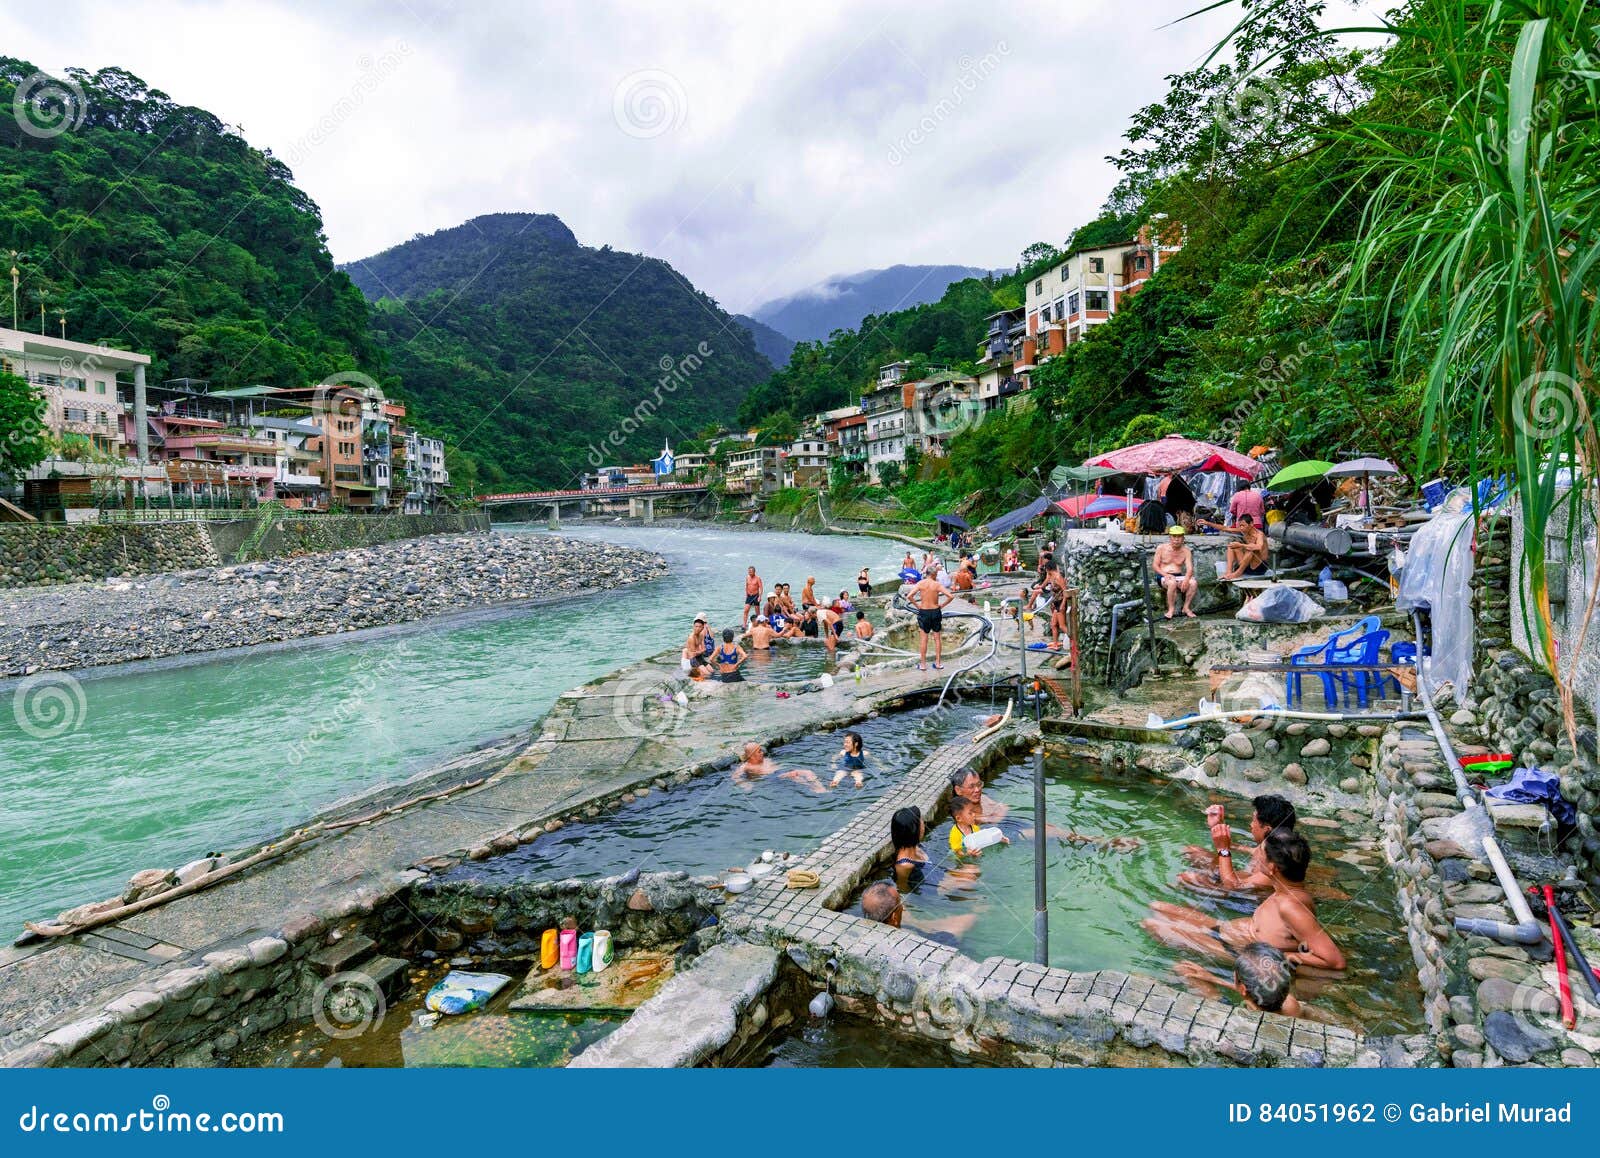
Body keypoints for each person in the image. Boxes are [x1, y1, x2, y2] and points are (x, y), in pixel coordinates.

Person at [1146, 830, 1346, 971]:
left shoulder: (1291, 906)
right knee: (1158, 907)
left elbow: (1335, 961)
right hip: (1225, 930)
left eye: (1260, 854)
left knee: (1152, 925)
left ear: (1273, 868)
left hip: (1234, 950)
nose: (1255, 857)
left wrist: (1285, 958)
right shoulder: (1284, 890)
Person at [1179, 795, 1297, 893]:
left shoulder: (1278, 861)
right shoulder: (1271, 844)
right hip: (1238, 878)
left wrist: (1223, 850)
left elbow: (1233, 886)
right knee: (1192, 850)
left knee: (1186, 878)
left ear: (1267, 829)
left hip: (1241, 893)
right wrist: (1217, 827)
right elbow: (1243, 848)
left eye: (1253, 820)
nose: (1250, 825)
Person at [1173, 942, 1303, 1017]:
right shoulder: (1291, 1005)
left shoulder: (1236, 1017)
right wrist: (1215, 979)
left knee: (1183, 969)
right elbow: (1262, 988)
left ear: (1242, 989)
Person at [733, 741, 825, 793]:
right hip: (772, 777)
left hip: (781, 772)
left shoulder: (765, 760)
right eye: (759, 751)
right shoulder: (746, 766)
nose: (762, 753)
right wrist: (745, 784)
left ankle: (819, 787)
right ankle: (813, 788)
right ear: (752, 755)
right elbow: (735, 776)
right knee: (795, 775)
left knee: (808, 772)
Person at [910, 564, 953, 670]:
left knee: (924, 639)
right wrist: (941, 605)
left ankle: (923, 665)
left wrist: (918, 606)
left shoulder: (920, 583)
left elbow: (909, 596)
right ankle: (938, 664)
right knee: (937, 639)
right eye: (936, 574)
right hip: (935, 611)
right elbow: (951, 596)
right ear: (933, 574)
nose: (937, 576)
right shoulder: (937, 584)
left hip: (924, 612)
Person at [1201, 513, 1269, 580]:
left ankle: (1238, 573)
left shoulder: (1259, 534)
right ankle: (1228, 572)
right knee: (1231, 546)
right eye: (1240, 526)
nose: (1241, 528)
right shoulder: (1244, 530)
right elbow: (1225, 528)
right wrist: (1207, 523)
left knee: (1250, 548)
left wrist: (1241, 545)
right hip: (1247, 566)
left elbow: (1259, 547)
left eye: (1243, 525)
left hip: (1259, 567)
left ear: (1251, 524)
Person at [1153, 525, 1198, 619]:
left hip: (1178, 576)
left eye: (1179, 537)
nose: (1176, 539)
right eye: (1174, 536)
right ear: (1170, 537)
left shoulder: (1186, 551)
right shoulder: (1161, 548)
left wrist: (1186, 579)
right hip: (1163, 575)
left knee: (1193, 583)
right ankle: (1171, 609)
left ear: (1183, 538)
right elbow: (1155, 566)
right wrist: (1165, 575)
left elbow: (1190, 569)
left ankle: (1186, 607)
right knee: (1172, 583)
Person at [742, 566, 763, 630]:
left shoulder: (758, 578)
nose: (750, 572)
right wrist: (746, 596)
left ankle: (759, 624)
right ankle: (744, 625)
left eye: (751, 571)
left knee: (757, 612)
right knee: (746, 611)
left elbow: (761, 588)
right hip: (749, 596)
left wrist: (760, 596)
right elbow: (746, 586)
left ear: (754, 572)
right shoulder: (747, 577)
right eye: (749, 571)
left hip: (756, 595)